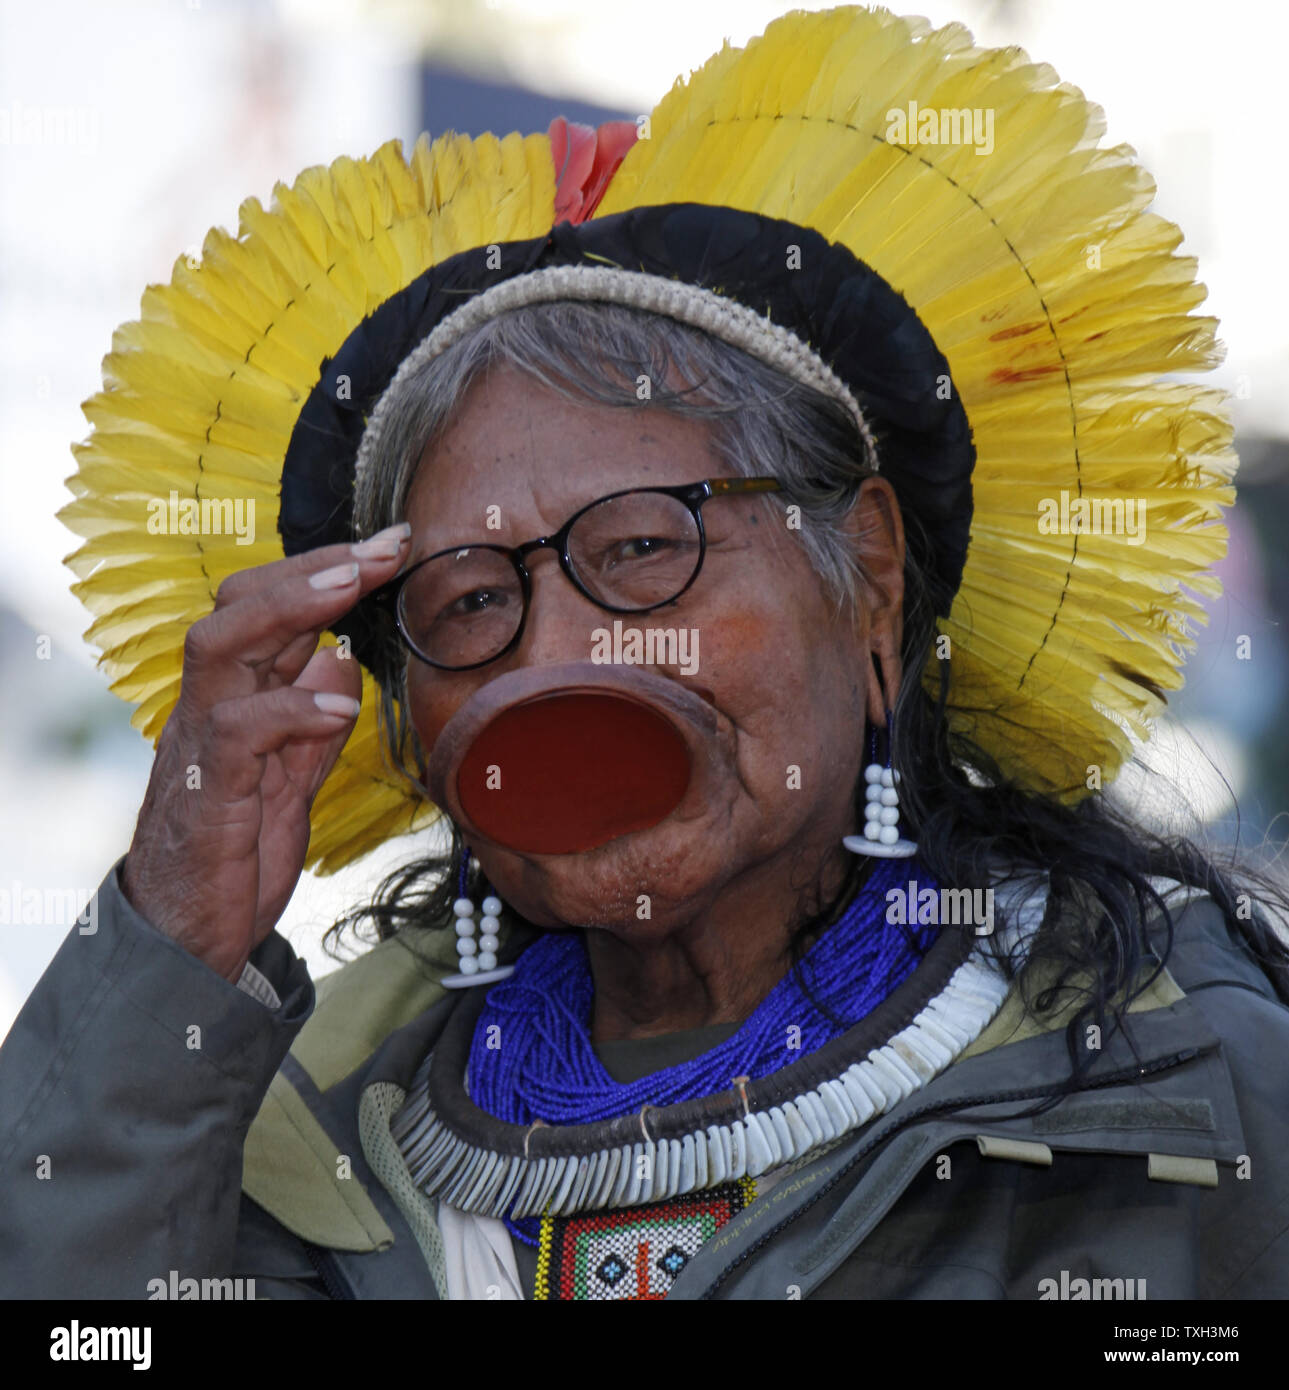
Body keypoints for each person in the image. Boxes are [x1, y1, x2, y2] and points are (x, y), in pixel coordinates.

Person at [5, 5, 1288, 1301]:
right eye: (462, 600)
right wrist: (165, 952)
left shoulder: (1199, 1087)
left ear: (870, 581)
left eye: (637, 548)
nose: (550, 656)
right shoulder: (296, 1135)